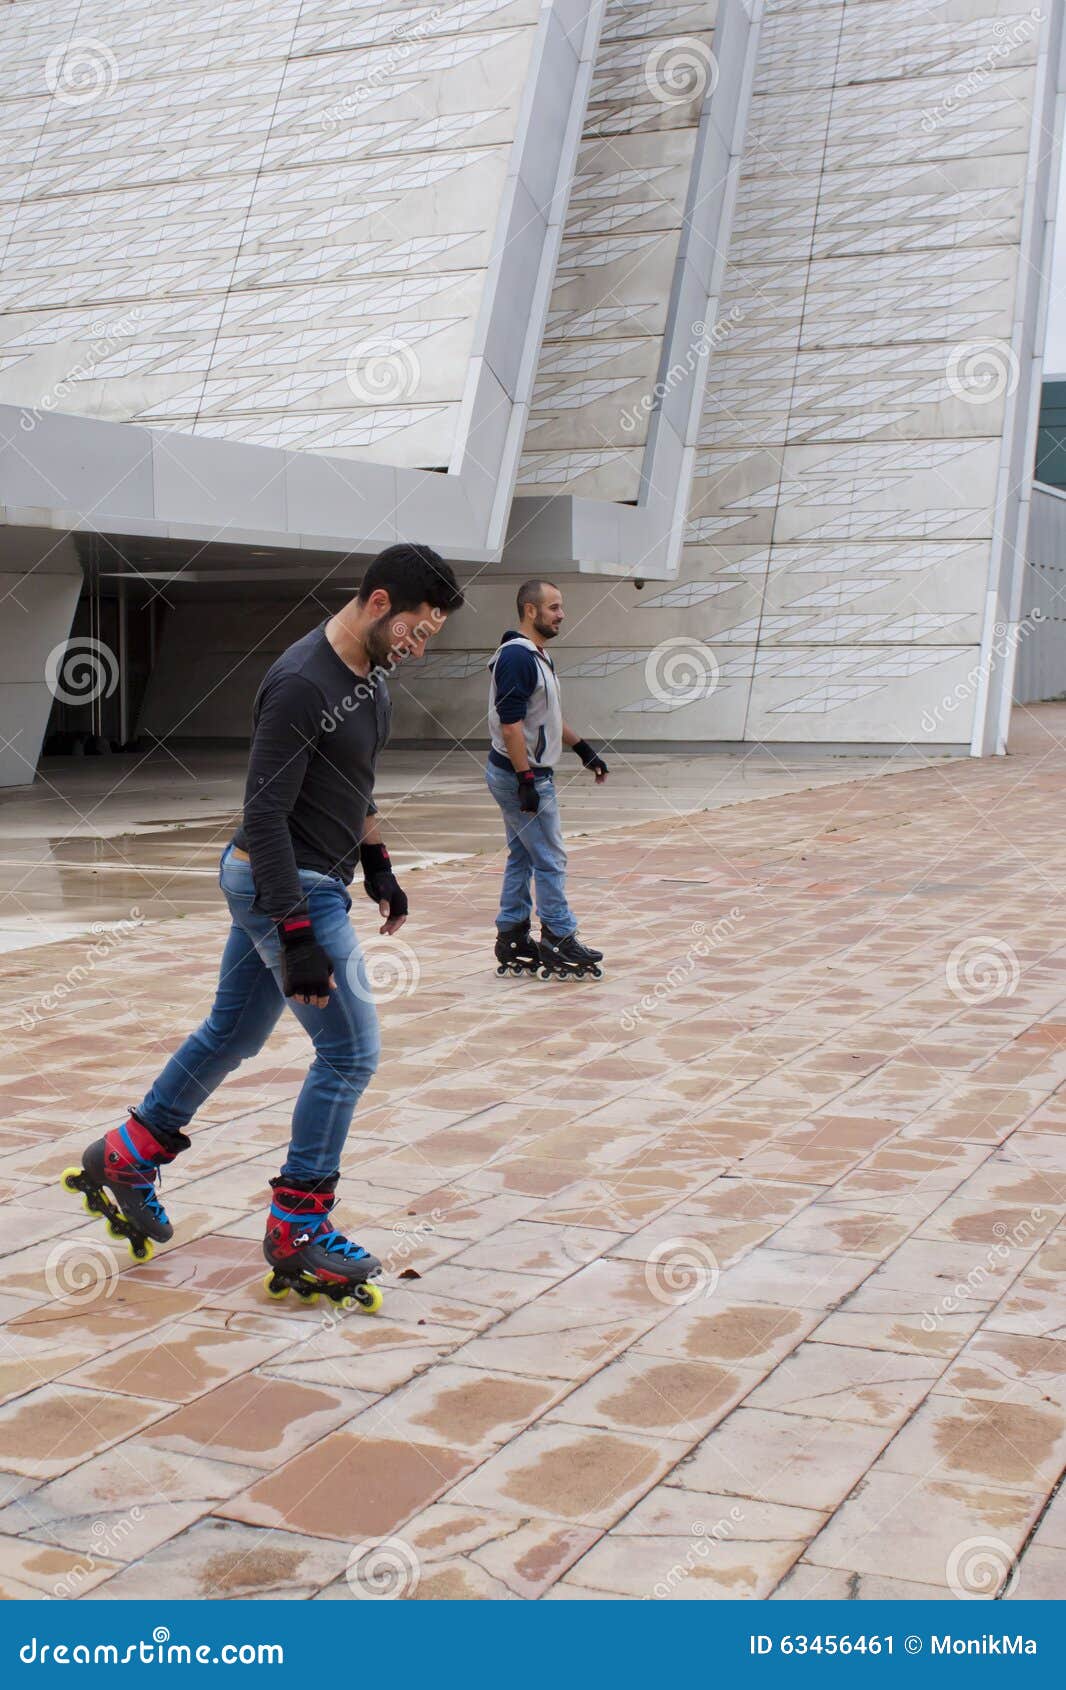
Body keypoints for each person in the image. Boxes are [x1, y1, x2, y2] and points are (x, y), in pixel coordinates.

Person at [64, 544, 464, 1311]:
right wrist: (295, 933)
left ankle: (127, 1154)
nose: (422, 643)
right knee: (349, 1054)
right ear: (380, 603)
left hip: (310, 877)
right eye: (419, 626)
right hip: (284, 882)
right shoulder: (298, 683)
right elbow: (266, 816)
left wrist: (376, 861)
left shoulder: (372, 681)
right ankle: (296, 1230)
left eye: (432, 633)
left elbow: (355, 783)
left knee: (233, 1032)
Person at [486, 579, 608, 980]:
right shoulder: (518, 658)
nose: (561, 614)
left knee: (524, 855)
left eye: (561, 607)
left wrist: (583, 749)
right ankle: (558, 934)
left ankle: (513, 934)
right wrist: (525, 779)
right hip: (522, 774)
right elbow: (511, 727)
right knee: (551, 858)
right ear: (530, 610)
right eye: (554, 607)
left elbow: (547, 719)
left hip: (524, 772)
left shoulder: (538, 656)